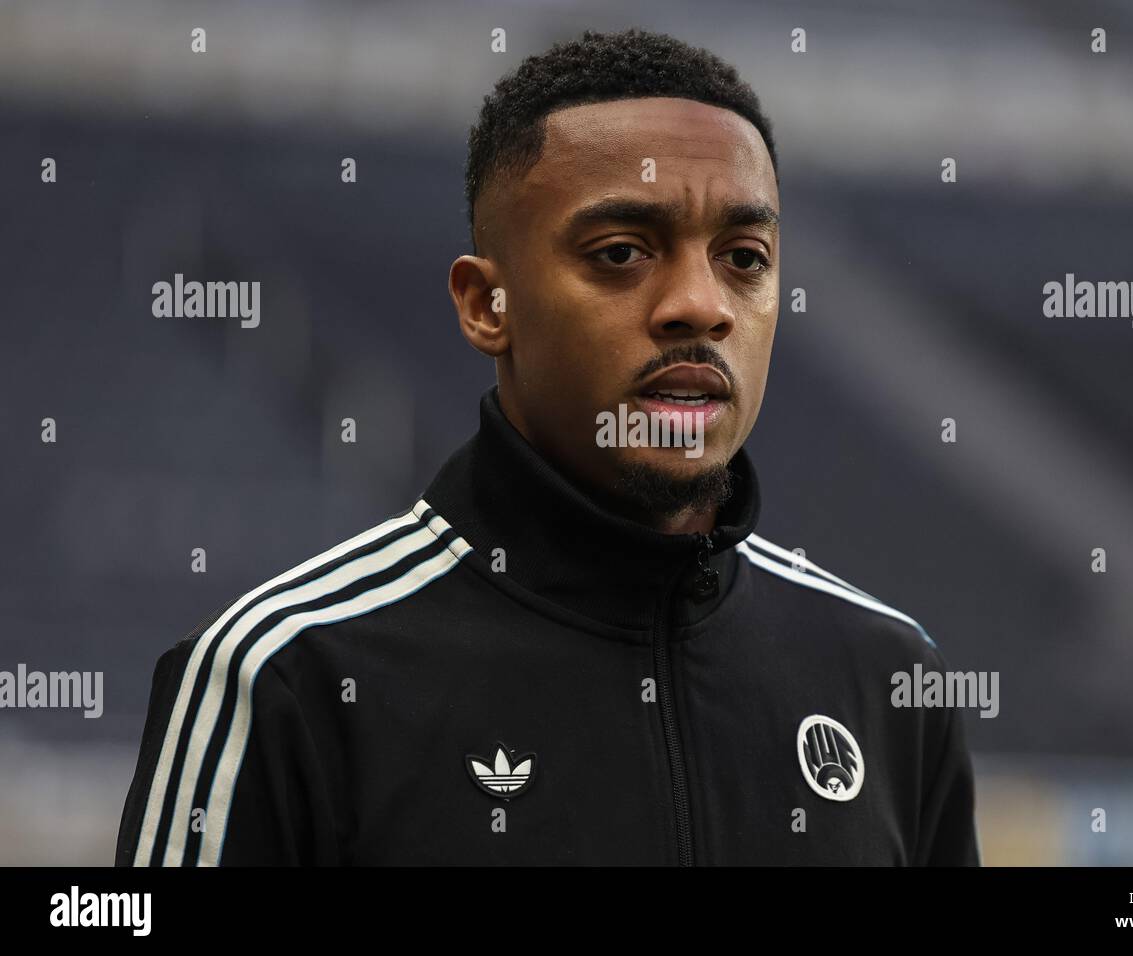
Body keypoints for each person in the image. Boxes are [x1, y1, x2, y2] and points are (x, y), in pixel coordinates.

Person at [116, 27, 979, 866]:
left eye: (744, 257)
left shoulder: (890, 677)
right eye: (620, 252)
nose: (699, 303)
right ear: (487, 305)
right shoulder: (282, 675)